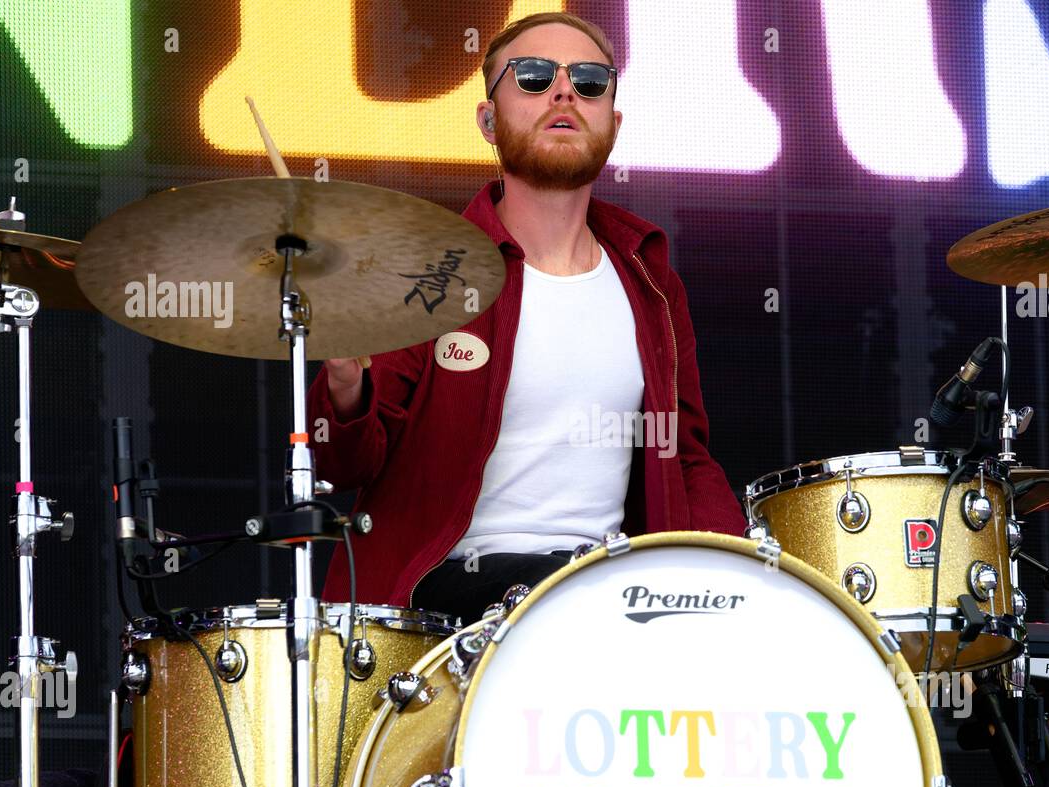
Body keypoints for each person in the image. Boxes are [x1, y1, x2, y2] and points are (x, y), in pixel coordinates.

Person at [309, 11, 743, 623]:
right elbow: (343, 464)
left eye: (590, 81)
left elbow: (687, 459)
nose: (564, 91)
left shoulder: (651, 281)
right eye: (534, 77)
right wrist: (347, 386)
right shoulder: (432, 270)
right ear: (487, 121)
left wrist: (739, 575)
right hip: (452, 599)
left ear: (612, 125)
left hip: (603, 594)